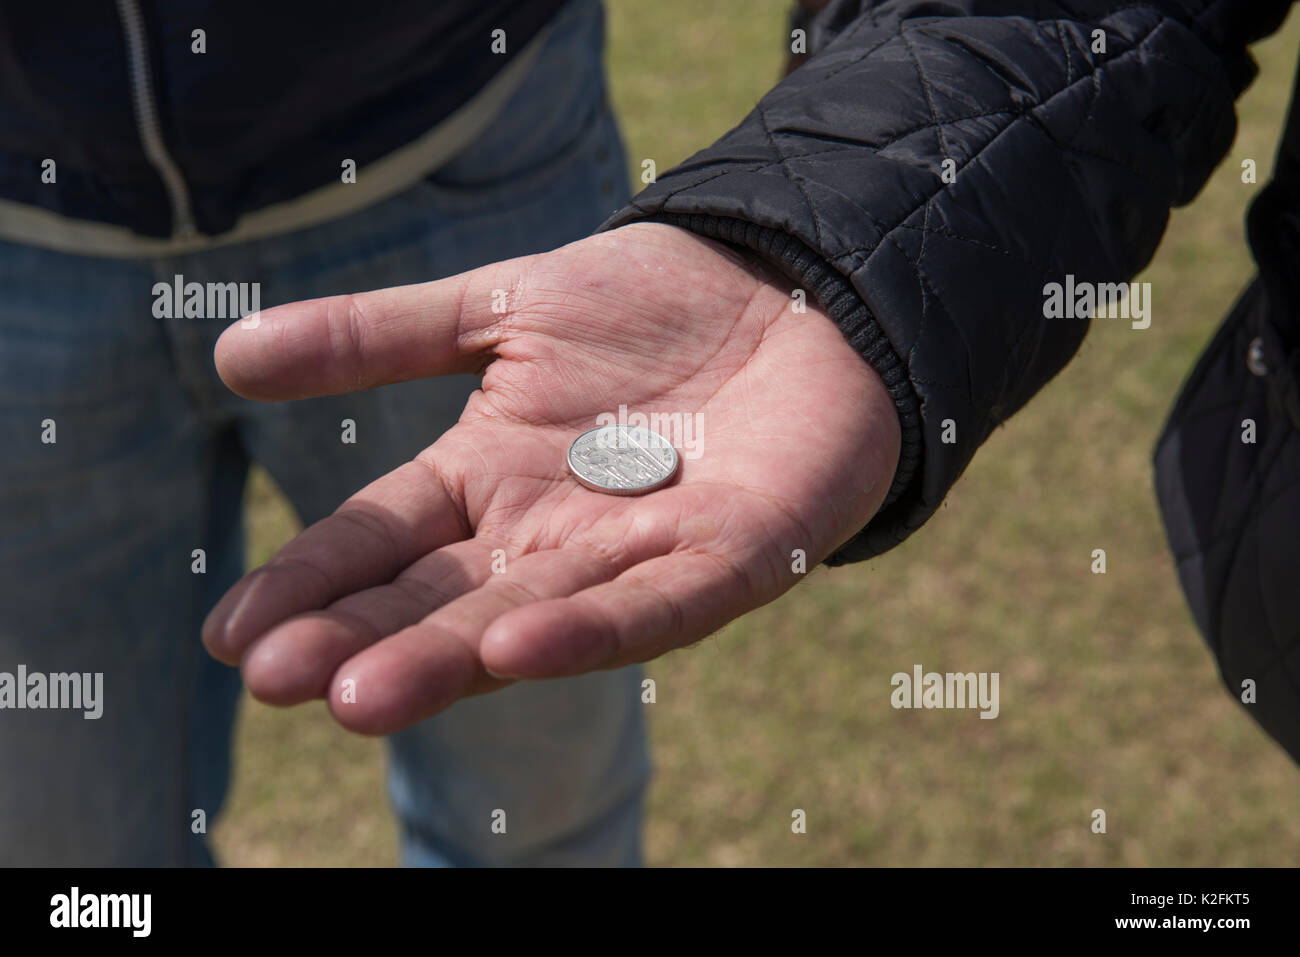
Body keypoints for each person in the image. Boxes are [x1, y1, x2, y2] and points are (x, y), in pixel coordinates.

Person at [1, 0, 1296, 869]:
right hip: (21, 237)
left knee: (540, 803)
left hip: (469, 144)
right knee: (73, 855)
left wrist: (820, 245)